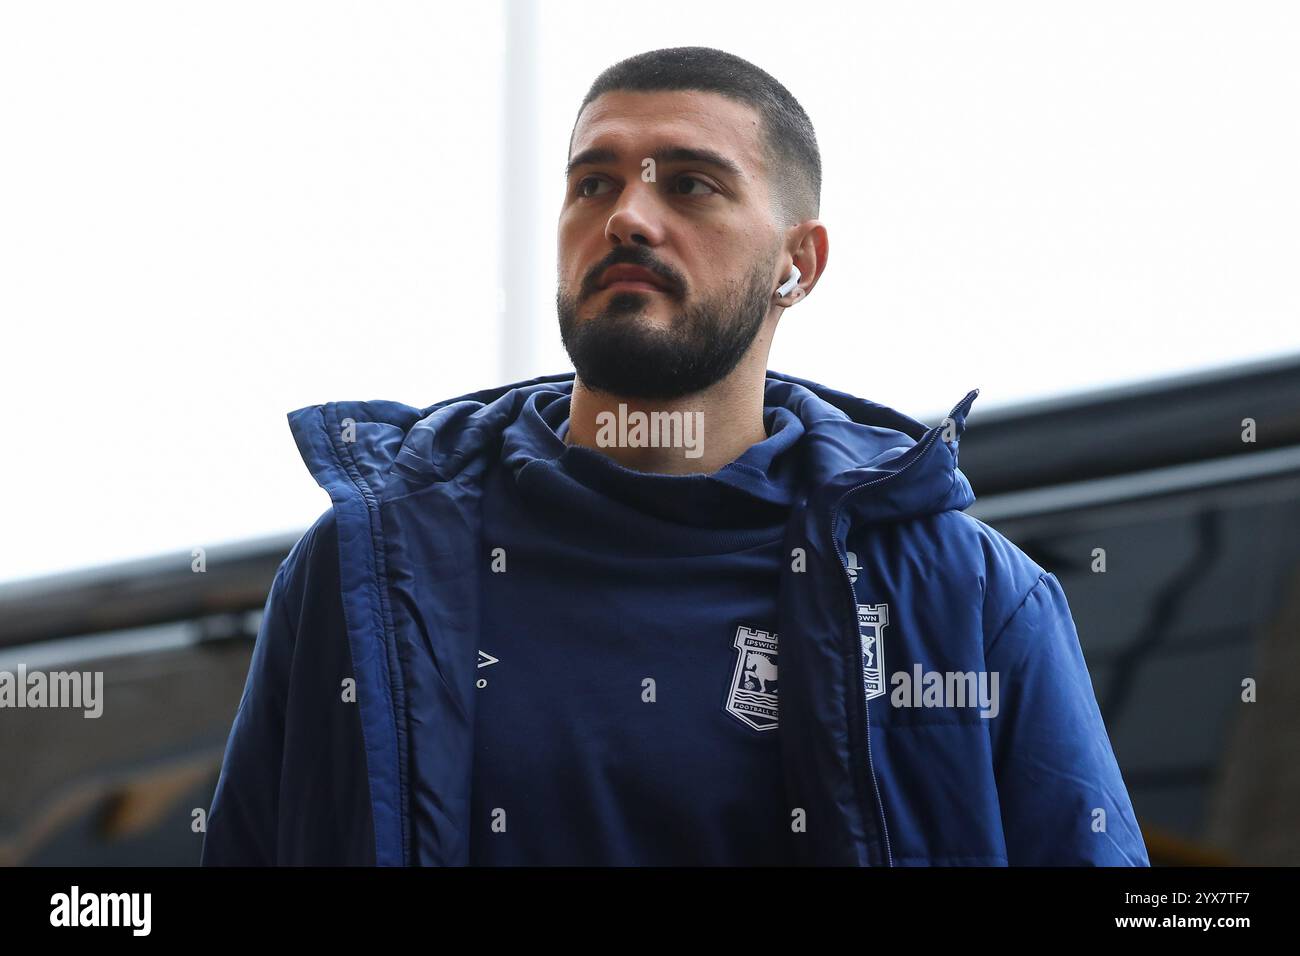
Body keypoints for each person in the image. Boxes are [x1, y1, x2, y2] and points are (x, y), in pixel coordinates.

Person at [202, 46, 1149, 866]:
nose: (628, 218)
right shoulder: (365, 569)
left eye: (690, 183)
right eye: (593, 183)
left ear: (798, 264)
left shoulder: (963, 593)